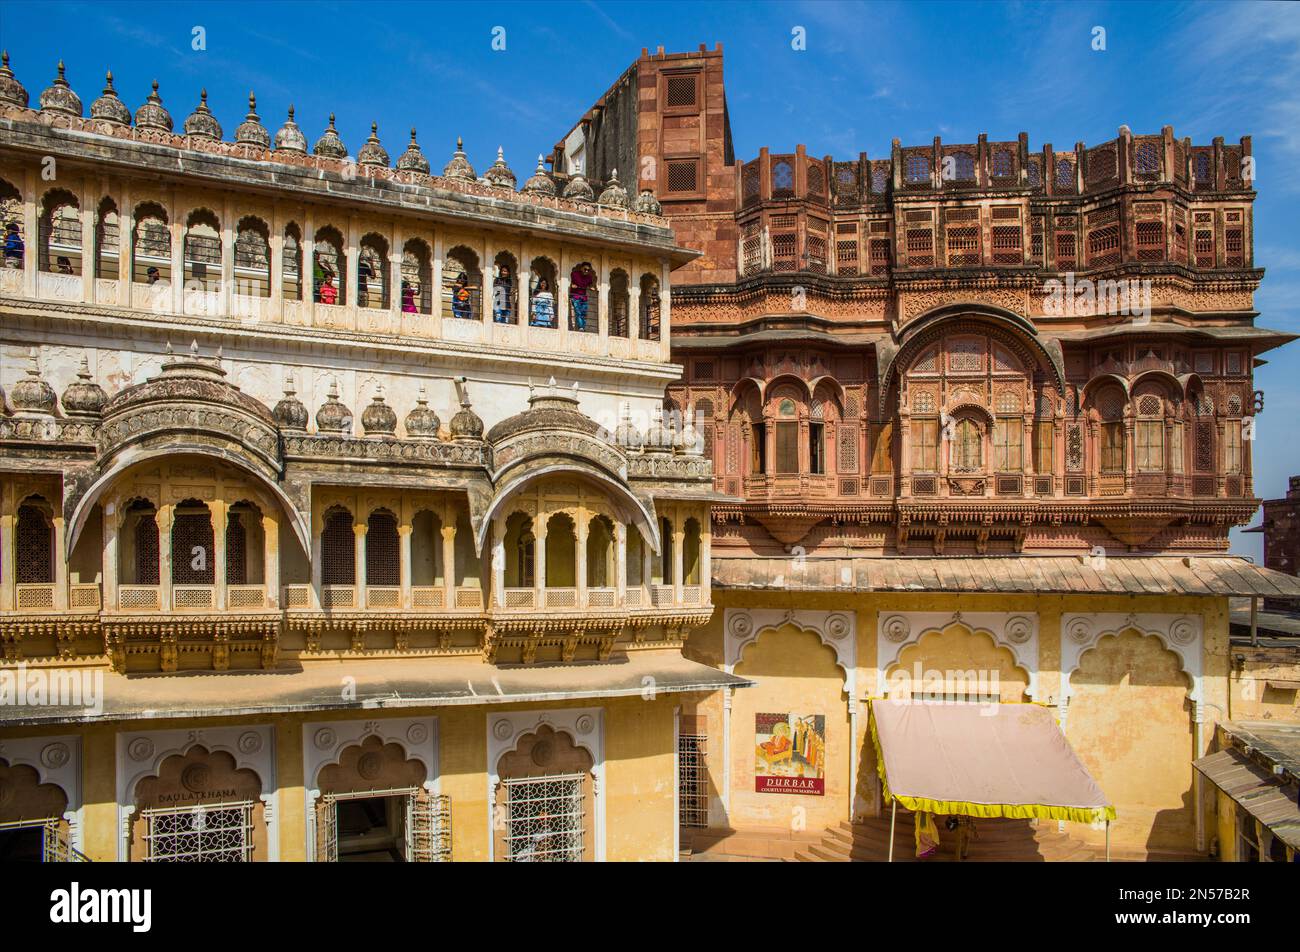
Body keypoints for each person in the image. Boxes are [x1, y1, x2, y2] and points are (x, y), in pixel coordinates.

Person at [569, 261, 594, 330]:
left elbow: (590, 285)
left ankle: (582, 326)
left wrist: (591, 287)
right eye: (585, 269)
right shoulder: (574, 274)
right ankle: (581, 327)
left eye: (588, 270)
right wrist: (572, 285)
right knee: (578, 312)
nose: (586, 271)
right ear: (581, 268)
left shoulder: (589, 277)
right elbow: (569, 283)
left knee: (584, 313)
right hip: (575, 296)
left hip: (583, 297)